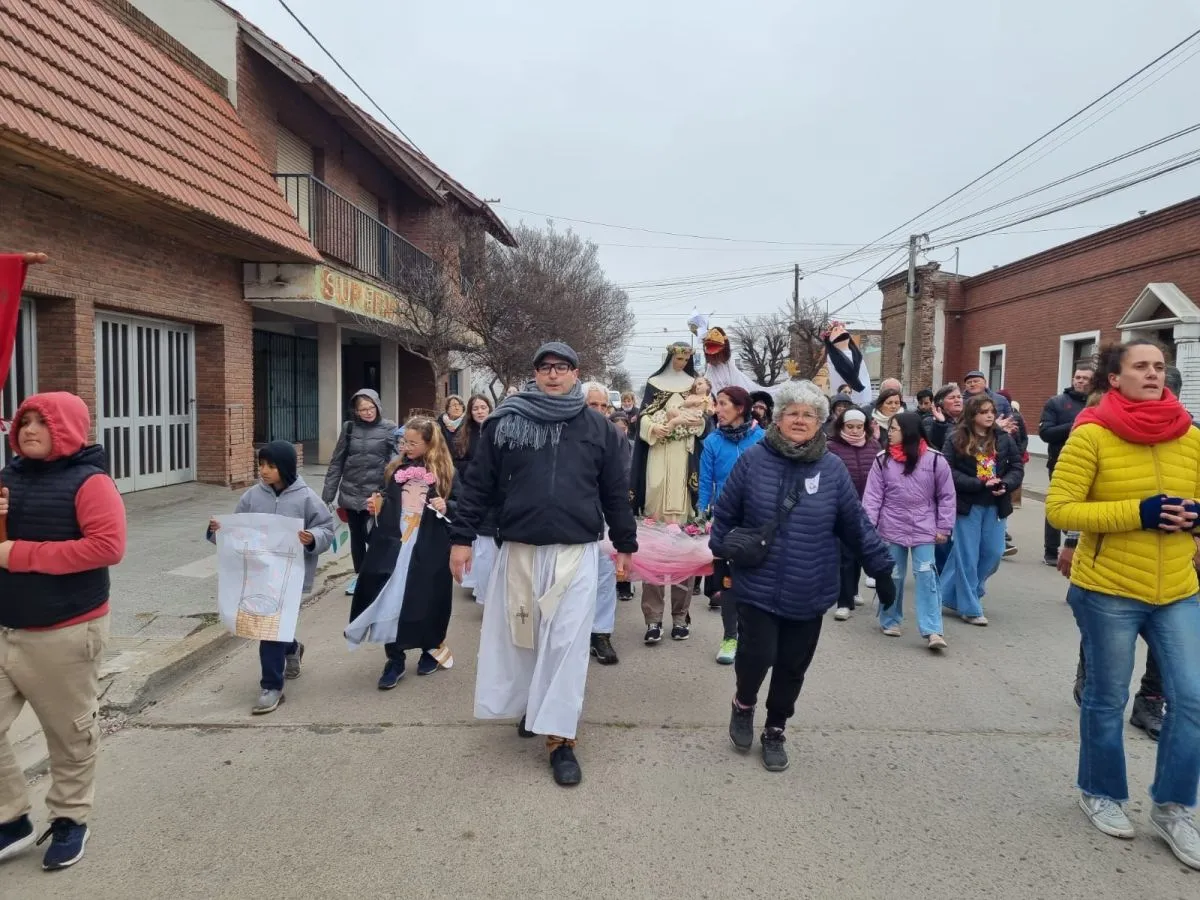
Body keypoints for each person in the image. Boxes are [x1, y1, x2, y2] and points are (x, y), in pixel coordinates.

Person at [450, 342, 637, 787]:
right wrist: (461, 539)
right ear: (535, 373)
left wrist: (625, 543)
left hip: (575, 552)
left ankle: (560, 737)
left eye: (562, 367)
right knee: (524, 638)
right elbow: (478, 485)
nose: (553, 374)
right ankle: (532, 705)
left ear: (575, 373)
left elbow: (614, 490)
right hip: (520, 549)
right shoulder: (506, 423)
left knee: (566, 643)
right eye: (545, 367)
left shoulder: (597, 427)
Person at [1045, 339, 1200, 869]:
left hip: (1177, 587)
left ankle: (1173, 807)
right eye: (1141, 366)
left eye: (1159, 366)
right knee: (1107, 697)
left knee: (1192, 698)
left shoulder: (1190, 435)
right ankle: (1101, 791)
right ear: (1115, 378)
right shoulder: (1091, 433)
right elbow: (1061, 508)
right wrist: (1140, 511)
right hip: (1109, 588)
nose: (1153, 373)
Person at [710, 381, 895, 772]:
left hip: (810, 586)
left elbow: (855, 523)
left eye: (808, 414)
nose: (799, 420)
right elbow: (725, 512)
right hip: (758, 581)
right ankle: (743, 703)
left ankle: (775, 729)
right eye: (792, 413)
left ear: (819, 422)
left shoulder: (832, 468)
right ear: (777, 419)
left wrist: (881, 567)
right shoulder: (753, 460)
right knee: (757, 655)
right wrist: (719, 557)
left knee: (793, 665)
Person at [0, 393, 126, 871]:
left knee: (69, 735)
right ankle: (10, 818)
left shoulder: (91, 482)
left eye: (41, 422)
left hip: (66, 629)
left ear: (67, 428)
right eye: (24, 421)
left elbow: (107, 547)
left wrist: (19, 554)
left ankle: (71, 818)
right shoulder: (7, 477)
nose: (29, 429)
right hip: (6, 624)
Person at [208, 442, 335, 713]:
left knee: (270, 629)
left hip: (290, 576)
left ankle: (271, 686)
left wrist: (313, 537)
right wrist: (218, 530)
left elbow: (326, 528)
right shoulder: (252, 497)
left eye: (271, 466)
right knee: (272, 627)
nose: (264, 470)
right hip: (258, 573)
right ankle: (292, 649)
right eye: (261, 465)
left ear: (285, 467)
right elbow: (237, 528)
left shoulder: (306, 498)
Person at [348, 417, 457, 688]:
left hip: (429, 545)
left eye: (412, 443)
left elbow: (462, 503)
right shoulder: (395, 468)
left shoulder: (445, 472)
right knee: (390, 597)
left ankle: (430, 648)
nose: (406, 447)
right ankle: (394, 658)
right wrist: (377, 505)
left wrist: (447, 506)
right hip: (395, 544)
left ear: (429, 443)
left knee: (428, 598)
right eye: (403, 442)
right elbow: (386, 496)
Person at [631, 343, 706, 643]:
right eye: (678, 357)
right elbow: (643, 418)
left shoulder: (695, 385)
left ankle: (680, 616)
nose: (682, 362)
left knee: (683, 548)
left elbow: (704, 421)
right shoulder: (654, 383)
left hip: (685, 464)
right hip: (658, 460)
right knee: (653, 547)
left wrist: (695, 423)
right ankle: (652, 619)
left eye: (686, 358)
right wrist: (654, 427)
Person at [862, 412, 956, 648]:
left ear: (908, 431)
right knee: (893, 574)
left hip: (925, 526)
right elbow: (872, 496)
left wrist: (944, 526)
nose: (890, 433)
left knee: (926, 575)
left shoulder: (935, 460)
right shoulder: (882, 460)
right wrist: (869, 526)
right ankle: (890, 619)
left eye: (894, 429)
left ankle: (933, 630)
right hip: (891, 525)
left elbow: (947, 496)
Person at [939, 394, 1024, 626]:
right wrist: (978, 483)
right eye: (983, 412)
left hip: (996, 504)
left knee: (994, 553)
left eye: (991, 412)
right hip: (968, 505)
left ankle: (950, 593)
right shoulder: (955, 438)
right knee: (967, 556)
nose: (989, 416)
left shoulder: (1003, 438)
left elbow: (1016, 467)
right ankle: (970, 607)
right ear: (972, 414)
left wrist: (1005, 484)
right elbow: (947, 471)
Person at [698, 386, 765, 663]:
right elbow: (705, 481)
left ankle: (754, 637)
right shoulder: (712, 441)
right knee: (728, 581)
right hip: (726, 518)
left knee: (757, 579)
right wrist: (702, 513)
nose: (717, 410)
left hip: (759, 519)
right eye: (717, 404)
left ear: (740, 408)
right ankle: (730, 638)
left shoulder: (763, 439)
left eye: (723, 404)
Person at [322, 389, 396, 596]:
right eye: (363, 409)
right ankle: (360, 577)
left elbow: (396, 460)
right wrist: (328, 495)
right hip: (351, 492)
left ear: (378, 406)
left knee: (376, 537)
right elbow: (337, 461)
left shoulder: (390, 428)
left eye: (371, 407)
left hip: (376, 494)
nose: (368, 412)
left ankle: (380, 573)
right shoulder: (349, 428)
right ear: (356, 411)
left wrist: (389, 490)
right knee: (357, 537)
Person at [827, 407, 881, 620]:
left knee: (859, 551)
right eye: (850, 426)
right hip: (842, 507)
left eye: (859, 427)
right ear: (841, 426)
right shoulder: (831, 447)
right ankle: (844, 601)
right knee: (845, 555)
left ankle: (854, 590)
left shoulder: (874, 445)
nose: (855, 431)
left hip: (867, 506)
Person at [1039, 366, 1094, 566]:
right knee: (1058, 504)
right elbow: (1046, 433)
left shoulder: (1098, 403)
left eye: (1085, 378)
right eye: (1077, 377)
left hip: (1089, 462)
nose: (1080, 381)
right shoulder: (1056, 403)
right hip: (1059, 462)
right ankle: (1051, 550)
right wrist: (1075, 425)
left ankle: (1080, 545)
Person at [584, 383, 621, 666]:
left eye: (603, 406)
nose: (598, 410)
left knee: (605, 574)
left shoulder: (613, 435)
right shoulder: (566, 431)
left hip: (604, 516)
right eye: (592, 404)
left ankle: (601, 633)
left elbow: (620, 479)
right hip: (573, 517)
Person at [923, 382, 964, 573]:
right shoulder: (929, 421)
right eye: (952, 397)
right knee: (943, 531)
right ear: (940, 403)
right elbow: (931, 447)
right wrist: (940, 424)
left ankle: (954, 572)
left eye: (959, 397)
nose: (957, 400)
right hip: (939, 485)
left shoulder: (969, 421)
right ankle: (941, 572)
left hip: (963, 484)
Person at [608, 411, 635, 602]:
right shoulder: (605, 445)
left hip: (628, 497)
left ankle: (625, 585)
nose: (620, 432)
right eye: (616, 428)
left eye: (623, 429)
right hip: (609, 498)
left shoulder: (632, 447)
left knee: (625, 542)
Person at [822, 323, 874, 406]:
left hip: (864, 397)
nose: (841, 329)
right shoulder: (832, 357)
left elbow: (864, 375)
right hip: (843, 400)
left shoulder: (857, 354)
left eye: (842, 328)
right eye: (836, 330)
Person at [454, 394, 493, 471]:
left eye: (483, 408)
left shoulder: (498, 431)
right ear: (470, 412)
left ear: (489, 409)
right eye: (475, 409)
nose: (480, 412)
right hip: (471, 476)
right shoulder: (462, 433)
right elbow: (455, 462)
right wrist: (475, 466)